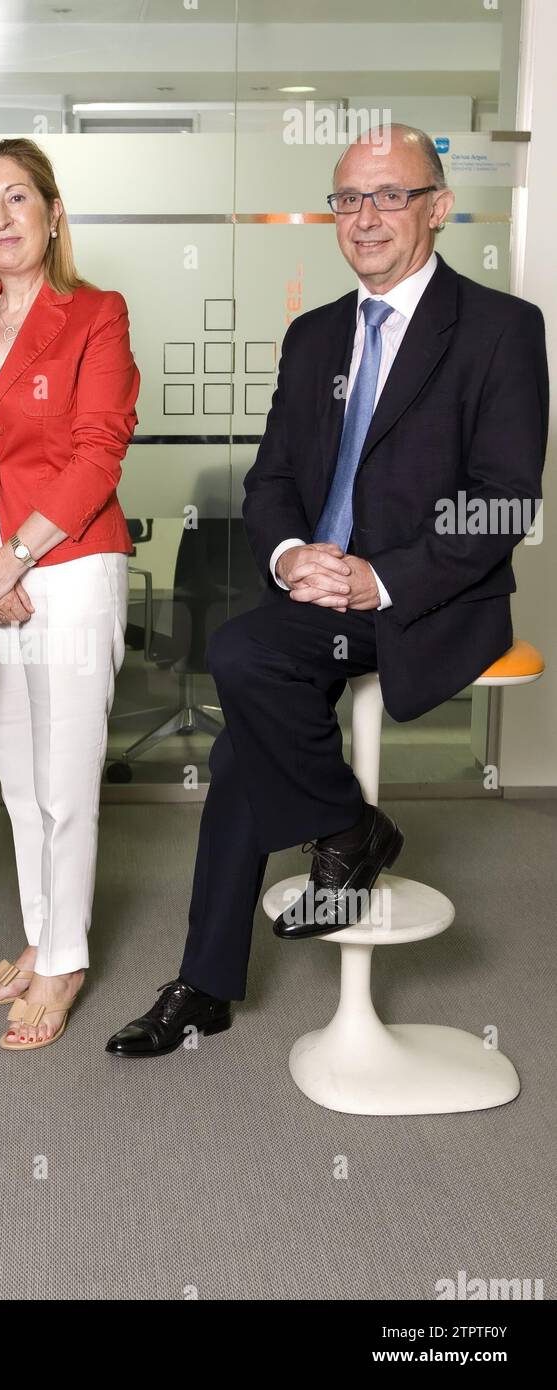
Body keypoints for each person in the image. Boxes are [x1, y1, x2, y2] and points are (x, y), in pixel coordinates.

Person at [108, 124, 547, 1057]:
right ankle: (237, 949)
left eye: (390, 195)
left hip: (426, 600)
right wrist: (287, 558)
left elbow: (503, 504)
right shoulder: (314, 336)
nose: (366, 217)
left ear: (437, 206)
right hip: (314, 595)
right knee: (241, 744)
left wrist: (380, 576)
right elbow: (269, 480)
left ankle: (325, 854)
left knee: (237, 662)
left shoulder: (502, 329)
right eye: (348, 198)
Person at [0, 138, 140, 1050]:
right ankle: (42, 930)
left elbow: (99, 447)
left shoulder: (95, 313)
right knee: (16, 777)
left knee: (65, 780)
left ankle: (66, 956)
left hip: (73, 565)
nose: (0, 218)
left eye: (18, 198)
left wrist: (15, 555)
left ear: (52, 214)